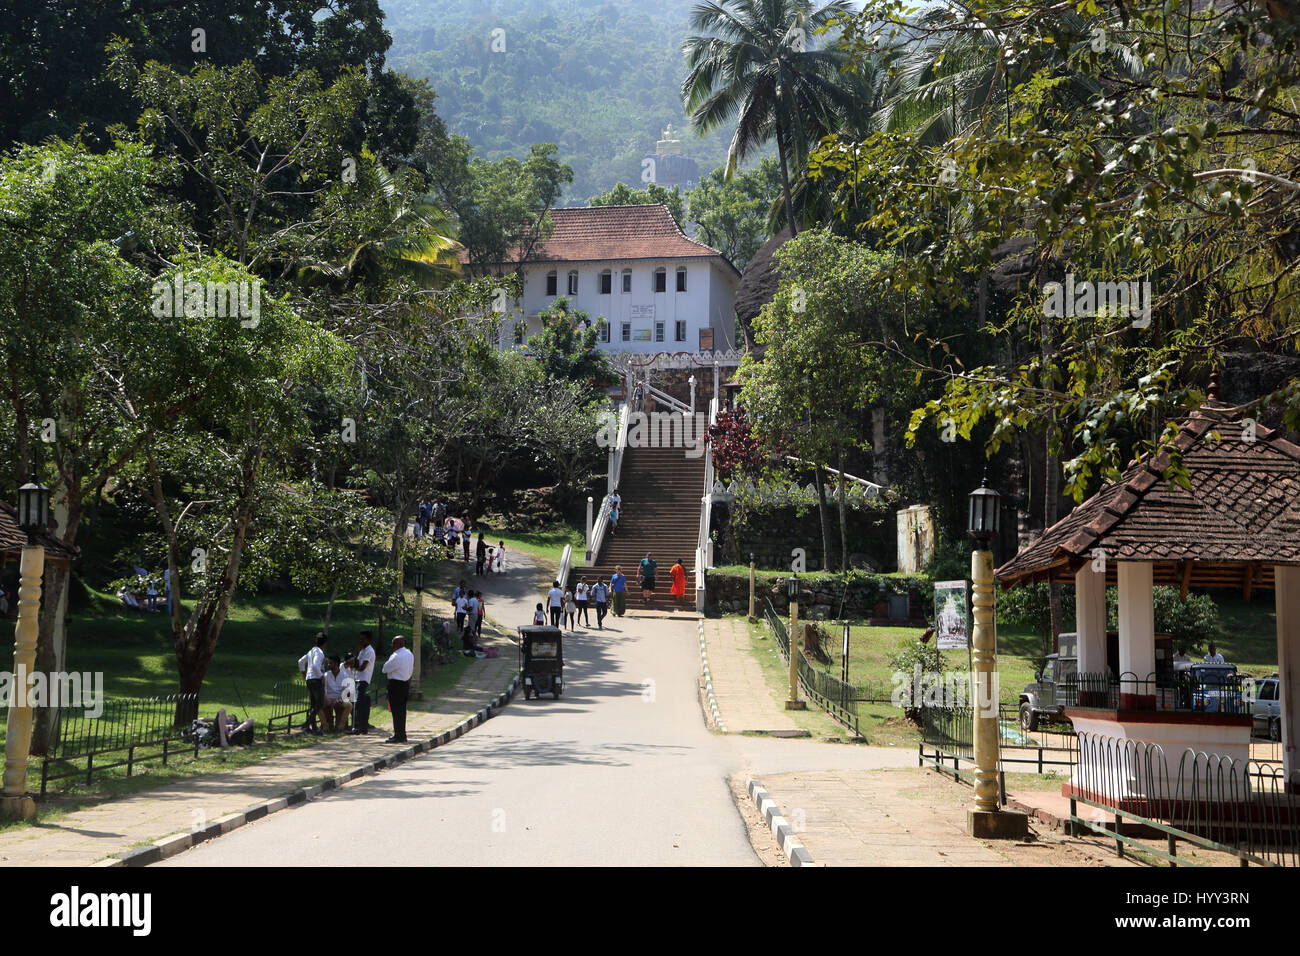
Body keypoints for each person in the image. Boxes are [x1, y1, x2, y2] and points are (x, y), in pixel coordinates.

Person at [382, 636, 414, 743]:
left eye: (393, 643)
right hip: (405, 684)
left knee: (396, 711)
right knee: (401, 711)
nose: (392, 646)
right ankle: (401, 734)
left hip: (395, 684)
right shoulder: (409, 654)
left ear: (399, 644)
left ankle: (398, 735)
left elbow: (385, 669)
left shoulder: (396, 656)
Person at [345, 631, 376, 735]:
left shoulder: (369, 651)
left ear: (368, 640)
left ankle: (357, 727)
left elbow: (362, 668)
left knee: (358, 703)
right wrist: (357, 654)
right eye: (360, 639)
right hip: (358, 679)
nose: (360, 641)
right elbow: (356, 664)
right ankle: (362, 727)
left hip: (363, 679)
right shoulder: (362, 651)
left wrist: (355, 666)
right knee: (359, 703)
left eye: (363, 639)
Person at [297, 632, 327, 735]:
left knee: (313, 704)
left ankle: (313, 728)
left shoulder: (311, 651)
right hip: (316, 680)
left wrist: (304, 674)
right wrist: (321, 676)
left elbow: (300, 662)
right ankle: (306, 724)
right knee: (319, 704)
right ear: (325, 643)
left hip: (309, 679)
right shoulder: (319, 652)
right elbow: (315, 666)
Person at [321, 656, 355, 733]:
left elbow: (348, 689)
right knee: (318, 706)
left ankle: (340, 727)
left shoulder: (344, 675)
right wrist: (327, 699)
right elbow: (323, 689)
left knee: (349, 705)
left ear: (336, 664)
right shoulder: (326, 675)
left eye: (330, 663)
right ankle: (325, 727)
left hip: (340, 699)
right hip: (328, 699)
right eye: (328, 663)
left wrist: (338, 699)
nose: (328, 665)